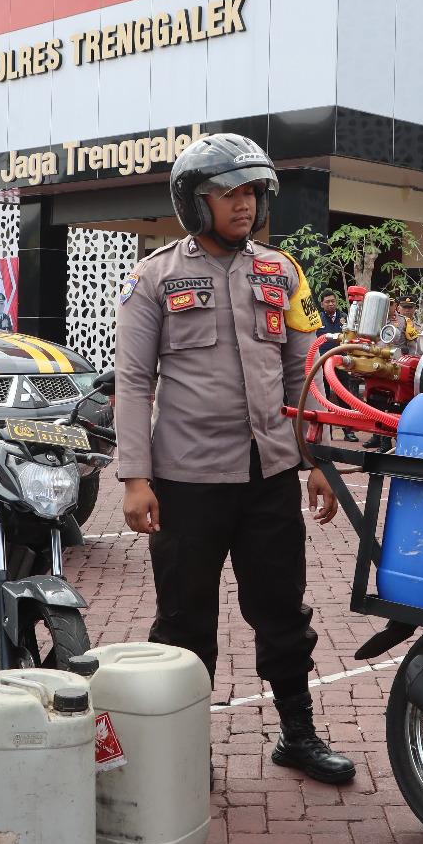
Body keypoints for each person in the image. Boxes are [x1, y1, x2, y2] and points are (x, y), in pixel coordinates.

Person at [113, 133, 355, 785]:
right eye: (228, 193)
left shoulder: (282, 272)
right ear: (194, 200)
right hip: (185, 481)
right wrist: (134, 477)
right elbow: (133, 381)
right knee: (184, 620)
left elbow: (304, 373)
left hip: (268, 476)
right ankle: (184, 751)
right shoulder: (154, 277)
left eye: (251, 191)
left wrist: (317, 460)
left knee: (283, 612)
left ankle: (298, 736)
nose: (243, 204)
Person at [316, 291, 358, 442]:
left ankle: (349, 432)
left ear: (337, 302)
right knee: (324, 397)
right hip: (322, 363)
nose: (330, 304)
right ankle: (327, 433)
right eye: (327, 301)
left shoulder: (346, 319)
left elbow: (353, 339)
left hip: (341, 363)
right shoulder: (317, 319)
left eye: (333, 301)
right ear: (322, 304)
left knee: (344, 396)